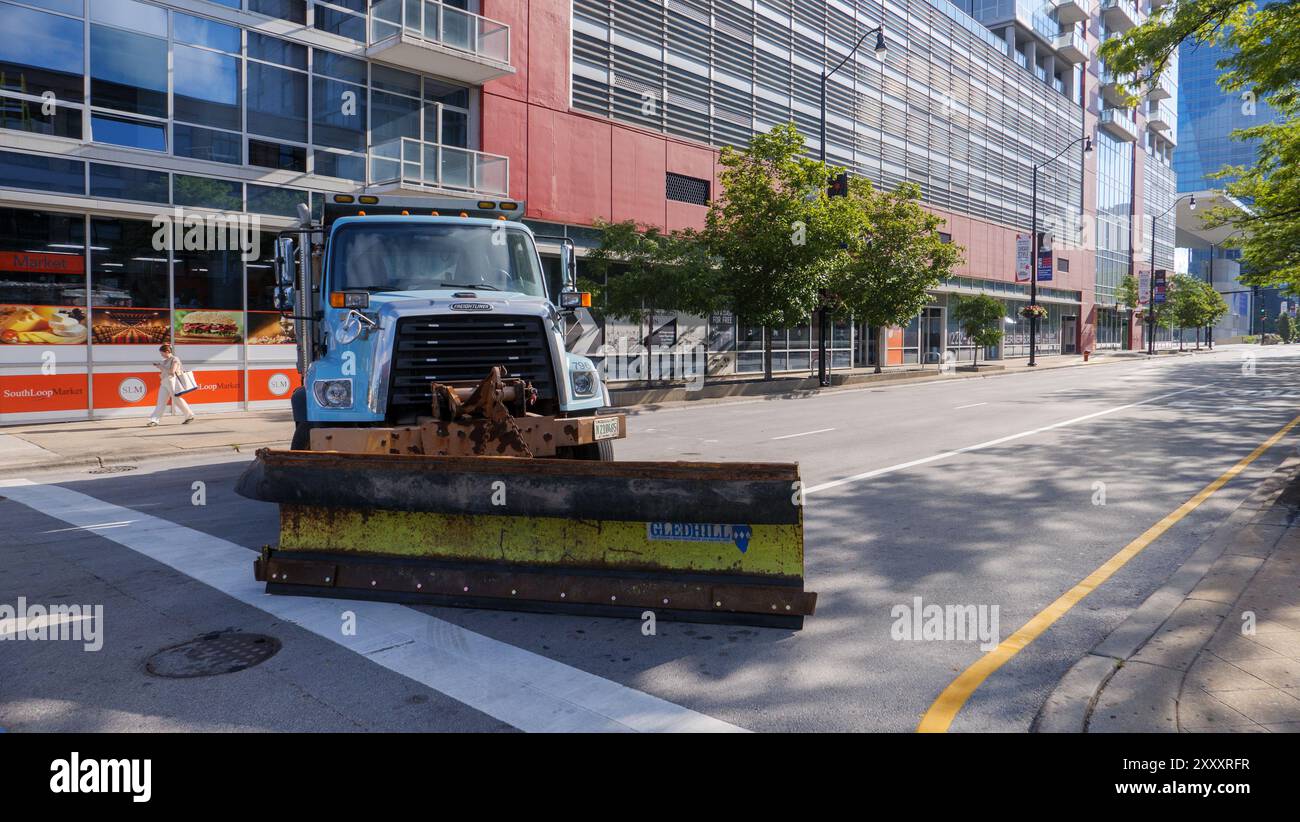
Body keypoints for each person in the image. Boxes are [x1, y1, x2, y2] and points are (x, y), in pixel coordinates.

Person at [147, 343, 196, 426]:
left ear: (167, 351)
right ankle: (154, 420)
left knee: (177, 400)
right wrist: (160, 366)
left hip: (172, 382)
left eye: (162, 353)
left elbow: (172, 372)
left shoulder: (175, 359)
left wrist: (161, 367)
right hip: (164, 382)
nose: (161, 355)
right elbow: (166, 371)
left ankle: (189, 416)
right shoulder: (164, 361)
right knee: (161, 402)